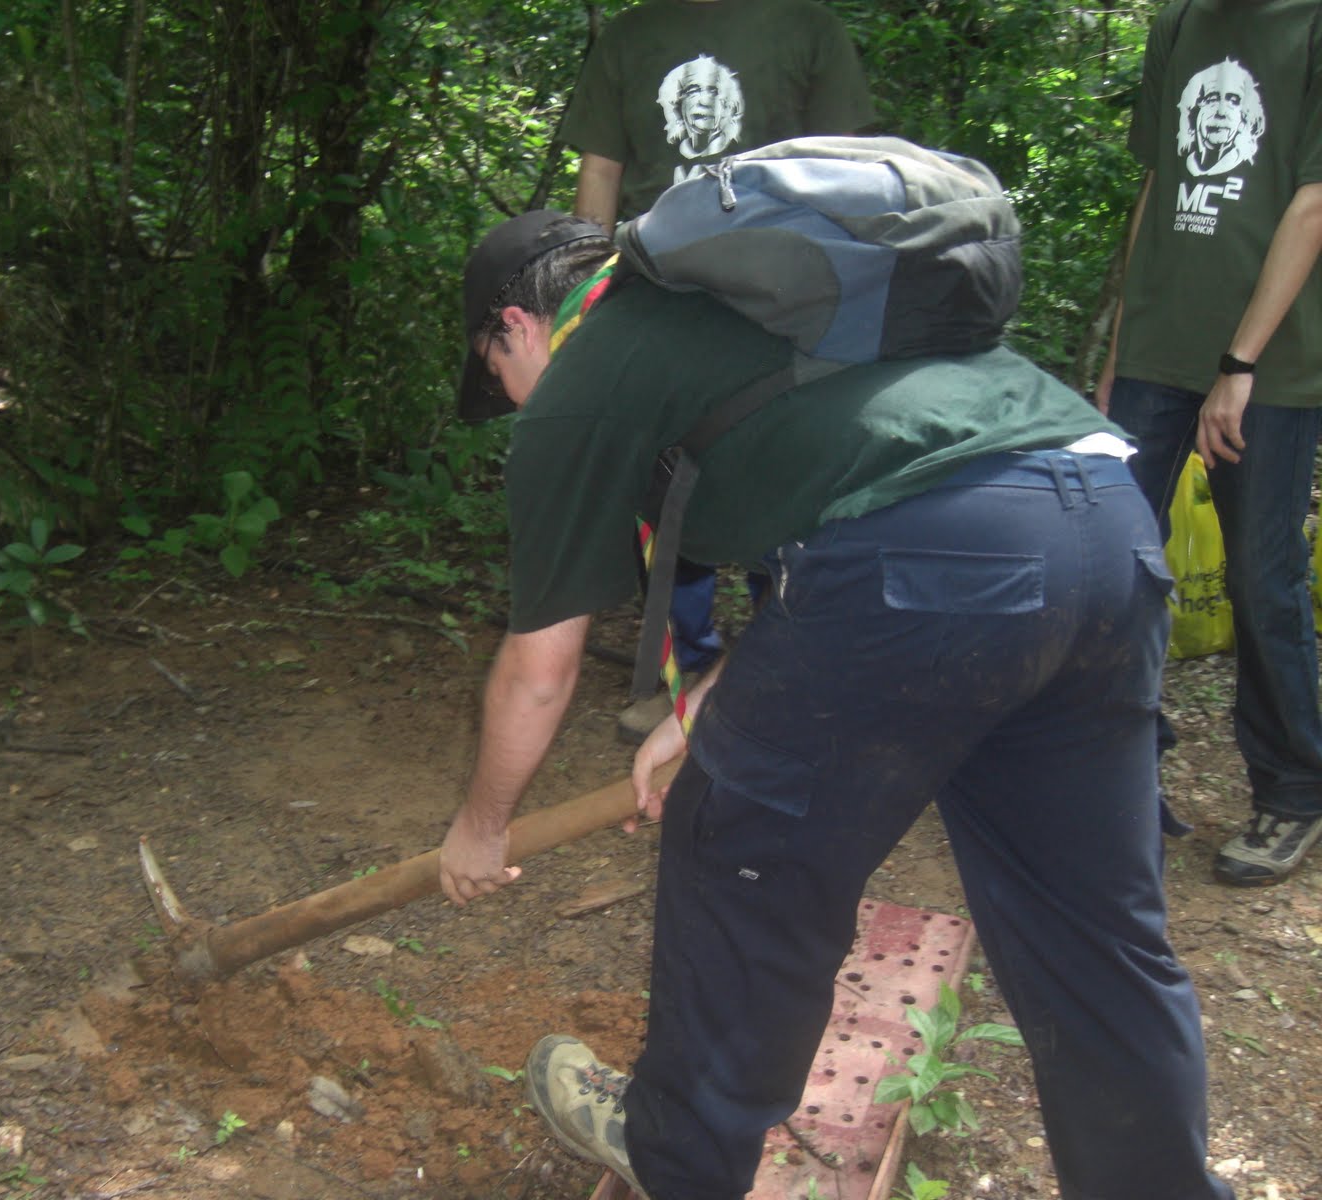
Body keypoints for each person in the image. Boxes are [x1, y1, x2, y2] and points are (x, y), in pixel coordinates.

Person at [440, 208, 1231, 1200]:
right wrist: (709, 706)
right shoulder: (746, 309)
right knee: (1092, 930)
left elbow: (539, 668)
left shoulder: (585, 372)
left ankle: (676, 1152)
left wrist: (480, 829)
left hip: (932, 561)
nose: (514, 405)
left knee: (736, 850)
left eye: (496, 378)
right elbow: (837, 493)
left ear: (513, 325)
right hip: (1100, 522)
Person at [558, 0, 877, 741]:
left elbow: (846, 167)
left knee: (787, 483)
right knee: (664, 491)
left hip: (779, 305)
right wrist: (585, 297)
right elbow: (600, 173)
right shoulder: (632, 36)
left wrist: (849, 295)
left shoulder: (805, 26)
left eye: (714, 97)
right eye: (689, 98)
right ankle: (678, 674)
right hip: (658, 301)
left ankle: (781, 662)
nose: (702, 107)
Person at [1096, 0, 1322, 886]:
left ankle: (1295, 788)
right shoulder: (1181, 21)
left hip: (1272, 363)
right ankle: (1121, 762)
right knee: (1110, 557)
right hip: (1160, 352)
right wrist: (1122, 346)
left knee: (1261, 579)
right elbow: (1157, 186)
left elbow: (1312, 202)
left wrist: (1241, 362)